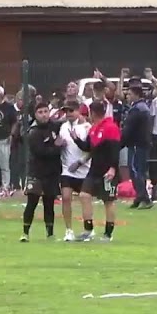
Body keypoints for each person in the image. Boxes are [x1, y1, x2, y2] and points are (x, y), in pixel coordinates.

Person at [71, 101, 121, 242]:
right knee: (84, 195)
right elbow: (88, 147)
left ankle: (108, 234)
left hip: (107, 171)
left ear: (92, 113)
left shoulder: (111, 128)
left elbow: (115, 149)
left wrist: (113, 168)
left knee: (108, 201)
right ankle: (88, 229)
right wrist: (76, 139)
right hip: (94, 170)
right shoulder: (93, 129)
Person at [21, 102, 62, 241]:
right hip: (36, 172)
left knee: (49, 203)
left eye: (46, 111)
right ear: (35, 115)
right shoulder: (33, 132)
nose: (44, 115)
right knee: (32, 202)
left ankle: (50, 233)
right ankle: (25, 233)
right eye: (40, 112)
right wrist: (56, 147)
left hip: (51, 173)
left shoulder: (55, 126)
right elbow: (41, 152)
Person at [56, 99, 92, 242]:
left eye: (71, 111)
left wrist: (80, 162)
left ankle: (88, 229)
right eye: (66, 111)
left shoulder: (87, 127)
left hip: (83, 169)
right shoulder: (63, 127)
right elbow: (59, 143)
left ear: (78, 111)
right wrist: (59, 145)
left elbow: (91, 150)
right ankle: (68, 230)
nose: (68, 114)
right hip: (67, 170)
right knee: (65, 197)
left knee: (85, 199)